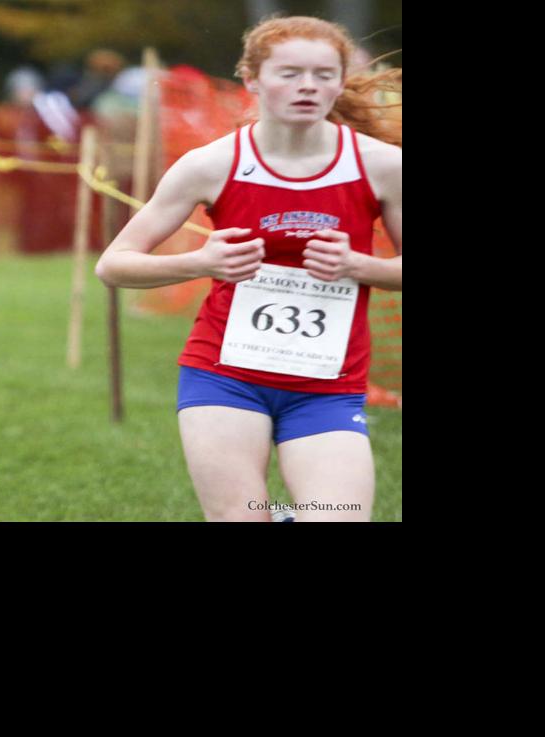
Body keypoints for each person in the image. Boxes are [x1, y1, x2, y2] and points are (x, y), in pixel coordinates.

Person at [94, 15, 402, 522]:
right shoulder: (210, 164)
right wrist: (201, 261)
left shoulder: (379, 165)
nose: (308, 86)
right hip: (224, 377)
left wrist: (358, 265)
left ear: (341, 80)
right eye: (289, 73)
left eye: (324, 74)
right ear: (252, 79)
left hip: (328, 384)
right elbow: (114, 265)